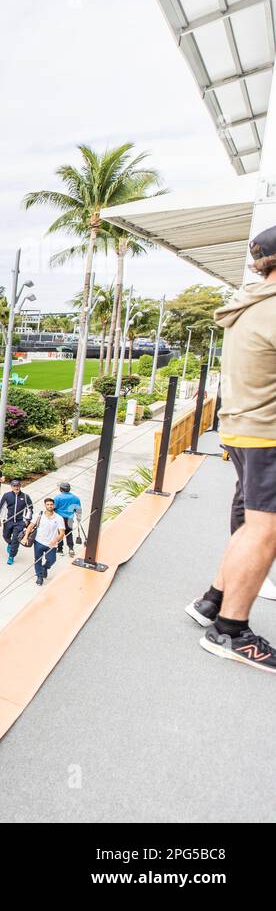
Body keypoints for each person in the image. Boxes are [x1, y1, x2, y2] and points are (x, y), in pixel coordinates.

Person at [187, 225, 276, 671]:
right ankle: (229, 629)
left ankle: (213, 600)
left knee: (250, 525)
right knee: (265, 530)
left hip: (244, 431)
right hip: (268, 435)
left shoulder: (249, 305)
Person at [25, 497, 66, 586]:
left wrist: (55, 540)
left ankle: (45, 567)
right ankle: (39, 577)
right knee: (37, 560)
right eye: (48, 504)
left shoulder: (59, 518)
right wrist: (25, 537)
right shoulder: (39, 515)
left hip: (51, 544)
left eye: (51, 504)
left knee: (52, 560)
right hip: (38, 542)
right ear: (45, 505)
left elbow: (62, 533)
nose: (50, 506)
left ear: (54, 505)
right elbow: (31, 526)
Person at [0, 478, 33, 565]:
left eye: (18, 486)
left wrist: (27, 520)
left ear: (20, 486)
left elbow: (30, 509)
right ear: (11, 487)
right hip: (8, 520)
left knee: (16, 539)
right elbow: (2, 508)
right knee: (5, 536)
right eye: (14, 486)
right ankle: (10, 544)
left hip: (20, 522)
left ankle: (11, 556)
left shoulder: (25, 497)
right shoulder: (7, 495)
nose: (16, 487)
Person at [51, 482, 82, 557]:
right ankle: (71, 548)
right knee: (68, 533)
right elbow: (78, 510)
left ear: (61, 489)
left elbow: (53, 508)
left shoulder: (58, 498)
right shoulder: (76, 498)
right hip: (70, 518)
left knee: (59, 533)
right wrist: (78, 518)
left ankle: (60, 549)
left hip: (60, 518)